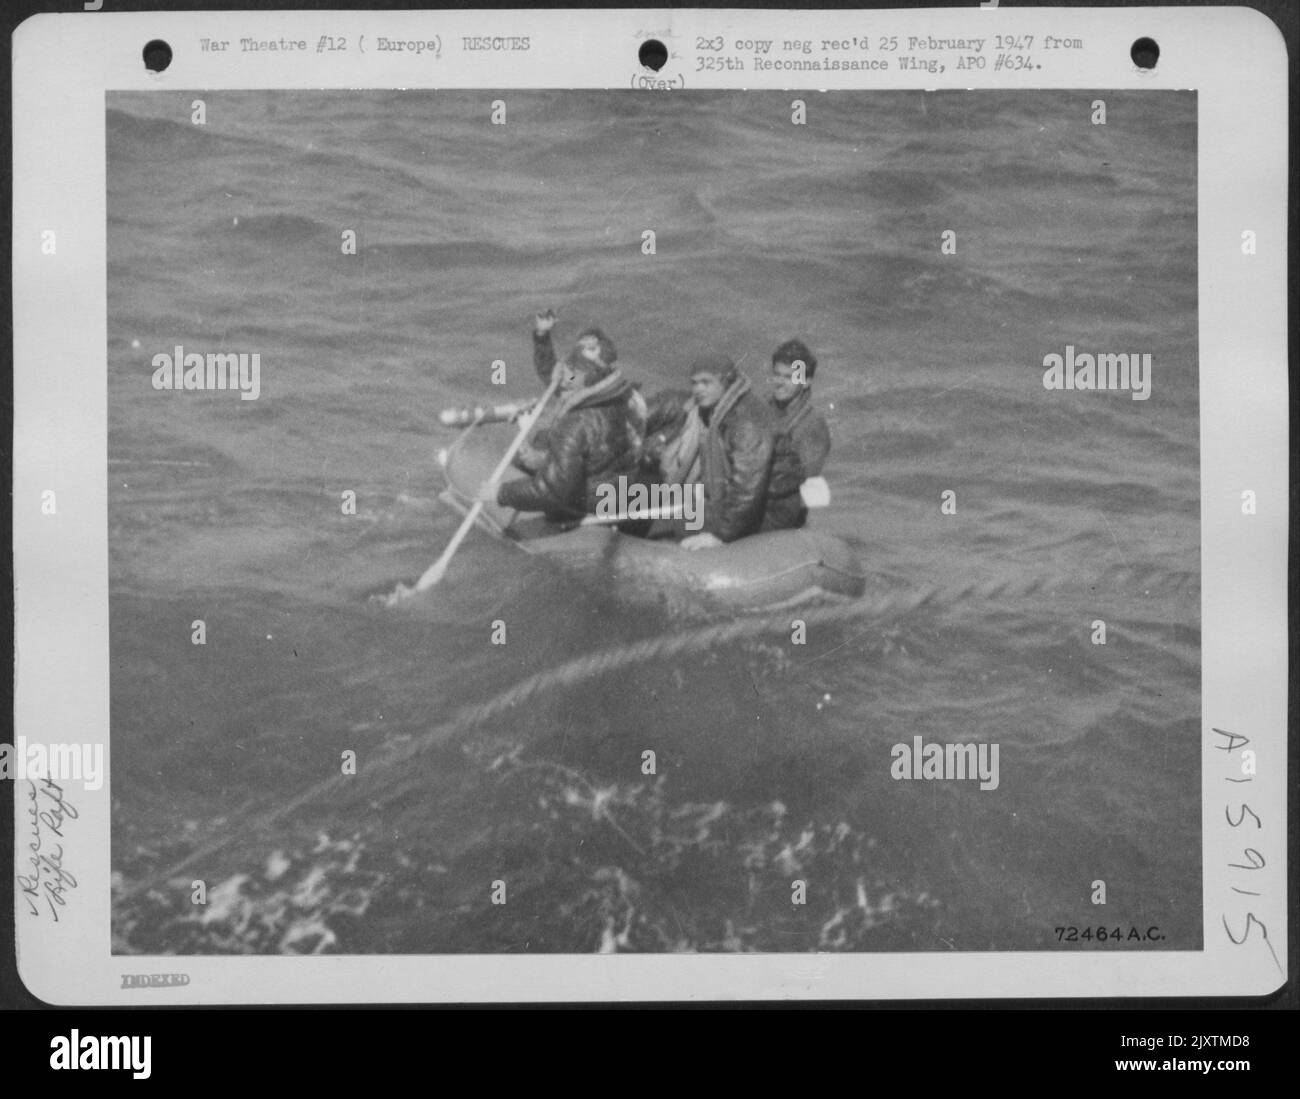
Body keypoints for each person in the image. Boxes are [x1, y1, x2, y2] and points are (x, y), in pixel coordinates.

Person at [477, 331, 641, 526]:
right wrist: (542, 338)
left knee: (540, 442)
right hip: (615, 494)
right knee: (542, 439)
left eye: (572, 371)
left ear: (587, 376)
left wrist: (501, 493)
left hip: (584, 507)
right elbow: (597, 455)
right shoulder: (621, 399)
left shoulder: (576, 424)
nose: (565, 378)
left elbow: (553, 491)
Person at [644, 353, 778, 551]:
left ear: (725, 381)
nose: (698, 389)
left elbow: (748, 487)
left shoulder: (745, 421)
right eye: (694, 383)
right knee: (662, 523)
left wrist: (719, 535)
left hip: (767, 510)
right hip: (733, 505)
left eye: (706, 382)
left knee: (667, 531)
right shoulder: (717, 411)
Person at [760, 339, 832, 532]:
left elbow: (805, 485)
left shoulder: (812, 426)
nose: (780, 383)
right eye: (777, 375)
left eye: (790, 377)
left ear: (806, 381)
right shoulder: (763, 409)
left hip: (783, 516)